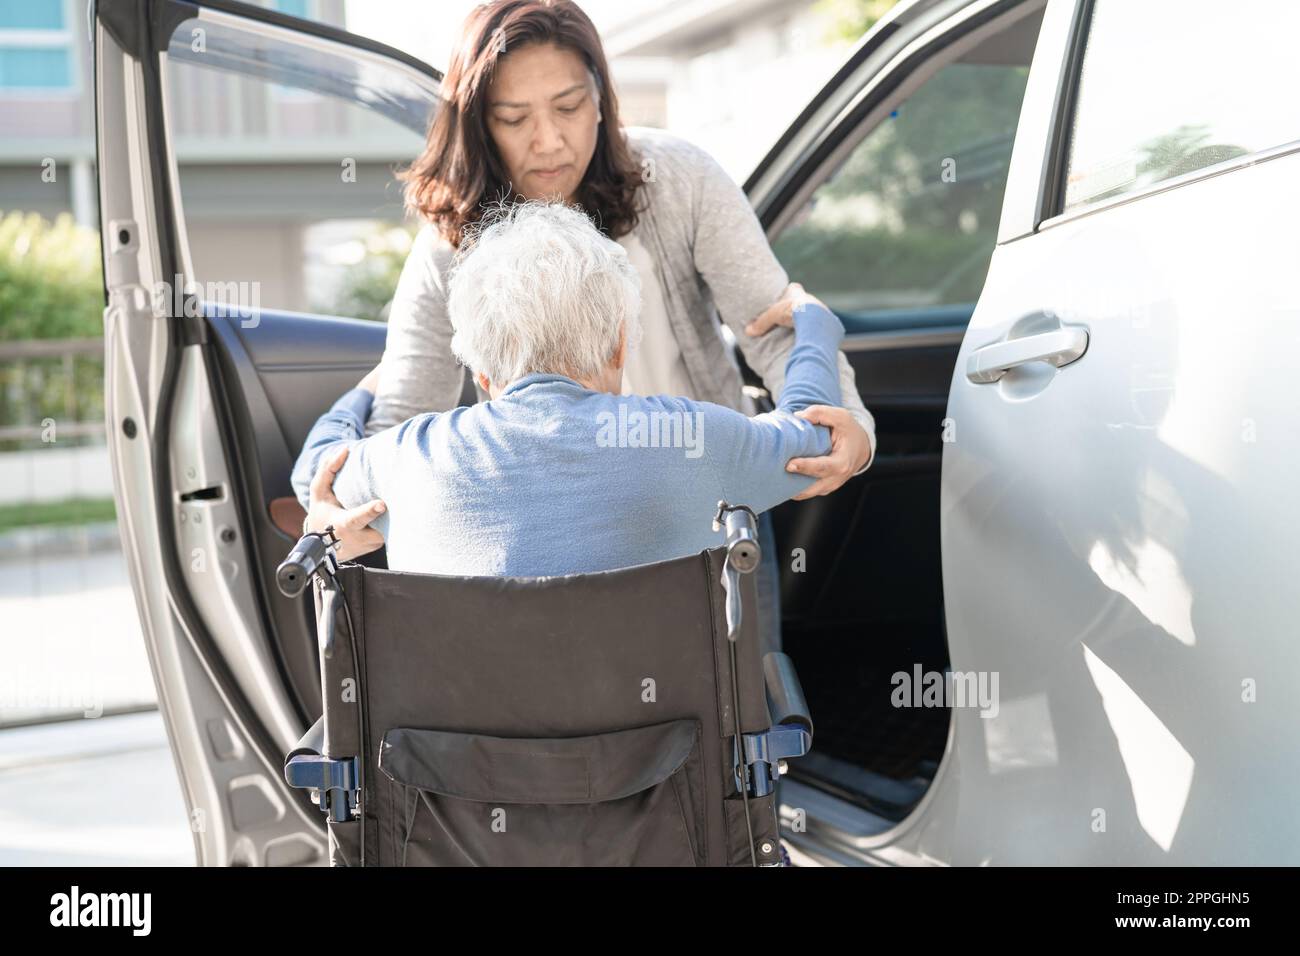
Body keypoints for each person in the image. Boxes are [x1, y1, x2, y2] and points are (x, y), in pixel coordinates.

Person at [304, 0, 877, 652]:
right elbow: (398, 419)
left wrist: (849, 425)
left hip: (704, 503)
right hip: (540, 533)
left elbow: (771, 324)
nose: (547, 140)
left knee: (735, 715)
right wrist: (336, 518)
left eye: (569, 107)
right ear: (480, 125)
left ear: (602, 100)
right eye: (514, 118)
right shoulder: (448, 246)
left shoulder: (681, 179)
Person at [290, 201, 844, 577]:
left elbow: (317, 470)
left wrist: (367, 389)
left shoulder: (407, 458)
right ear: (619, 347)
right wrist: (814, 323)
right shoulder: (692, 436)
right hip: (668, 747)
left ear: (481, 375)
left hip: (460, 751)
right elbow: (814, 436)